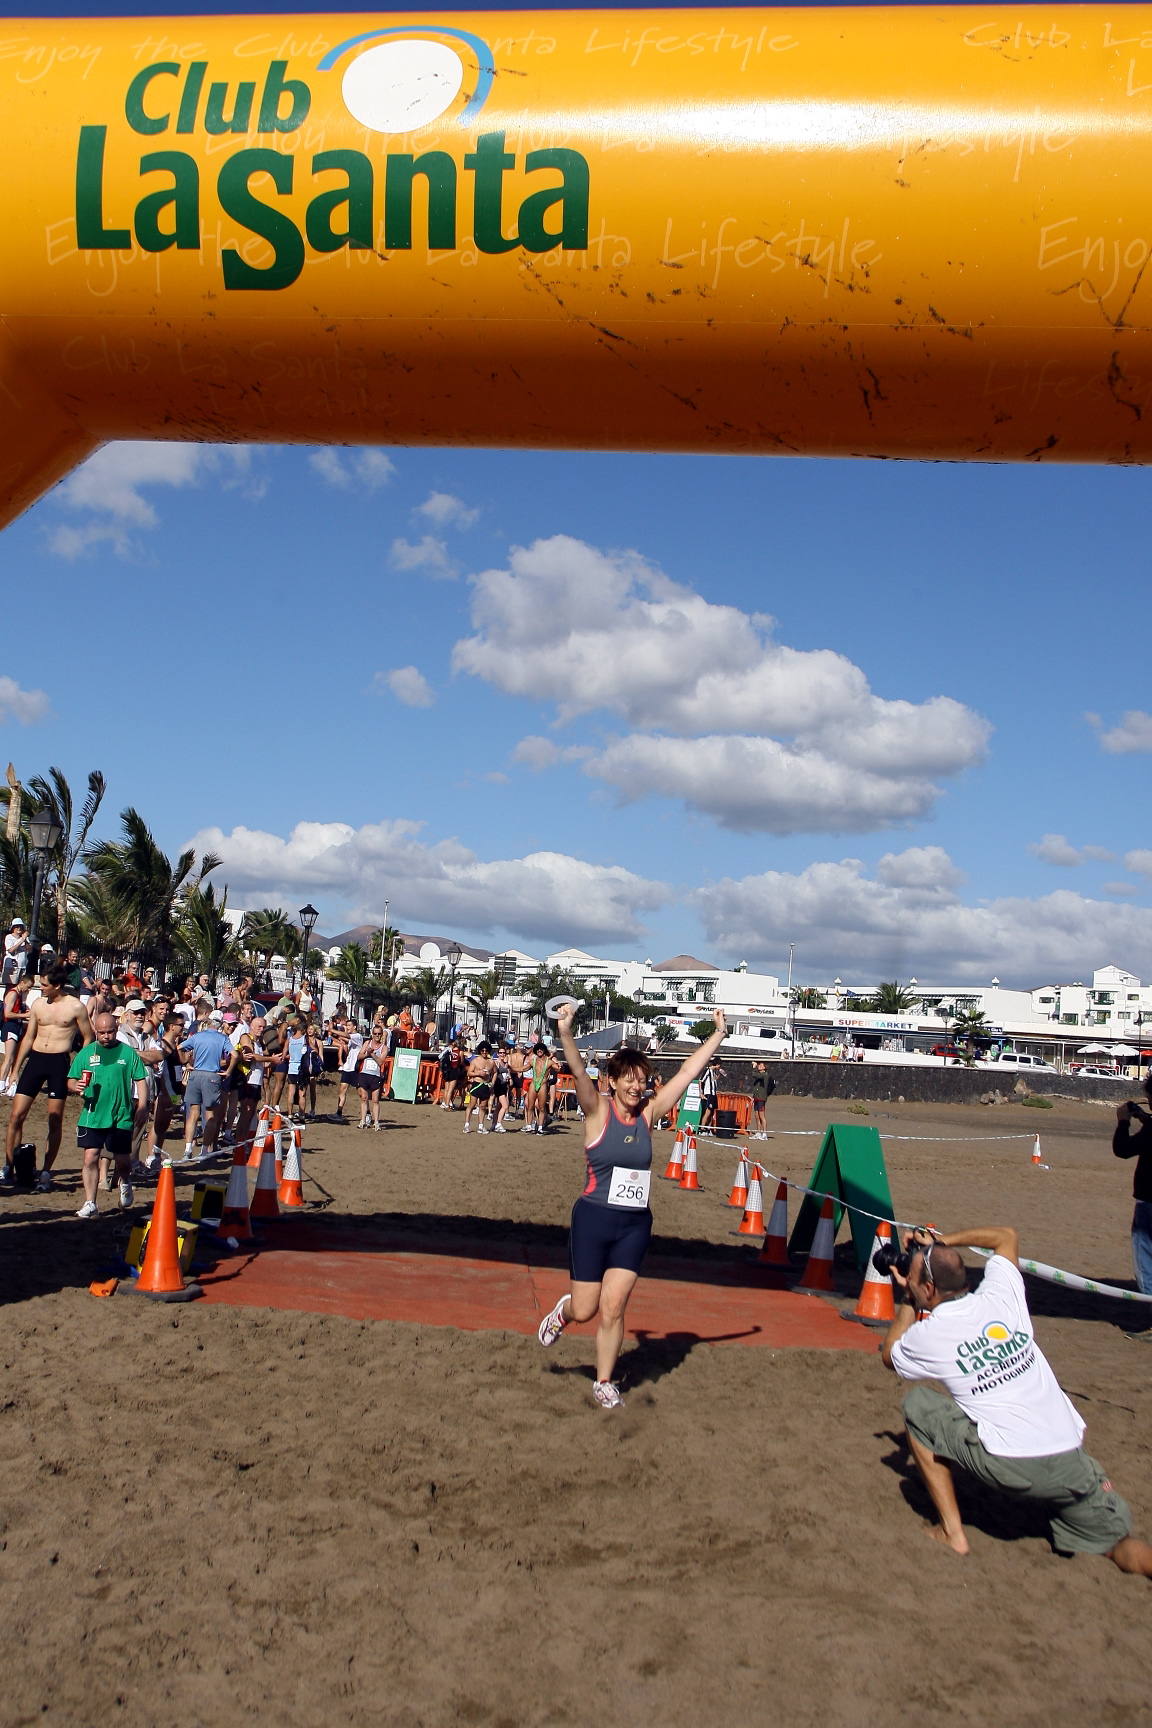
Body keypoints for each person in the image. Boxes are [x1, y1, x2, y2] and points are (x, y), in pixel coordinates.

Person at [882, 1221, 1152, 1574]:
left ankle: (953, 1533)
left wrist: (907, 1300)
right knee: (1118, 1544)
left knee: (918, 1404)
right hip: (1070, 1457)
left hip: (1011, 1464)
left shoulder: (930, 1333)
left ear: (928, 1288)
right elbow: (1005, 1236)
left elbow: (890, 1355)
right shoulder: (1000, 1295)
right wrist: (941, 1243)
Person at [537, 1005, 729, 1410]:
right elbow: (579, 1074)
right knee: (587, 1308)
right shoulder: (597, 1111)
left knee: (614, 1305)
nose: (637, 1088)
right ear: (612, 1082)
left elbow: (686, 1074)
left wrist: (717, 1035)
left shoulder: (650, 1114)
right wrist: (566, 1035)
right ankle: (563, 1313)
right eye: (629, 1080)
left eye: (642, 1081)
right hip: (592, 1219)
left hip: (634, 1225)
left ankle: (604, 1381)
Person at [1, 962, 95, 1192]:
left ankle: (45, 1172)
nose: (40, 988)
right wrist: (15, 1069)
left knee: (54, 1119)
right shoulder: (38, 1004)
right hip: (36, 1060)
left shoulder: (75, 1007)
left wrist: (81, 1069)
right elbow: (29, 1036)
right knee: (16, 1116)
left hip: (58, 1062)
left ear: (58, 985)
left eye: (44, 985)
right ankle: (8, 1166)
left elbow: (88, 1038)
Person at [66, 1012, 149, 1216]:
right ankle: (90, 1202)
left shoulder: (127, 1053)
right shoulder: (87, 1053)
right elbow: (70, 1079)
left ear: (116, 1029)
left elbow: (140, 1079)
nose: (106, 1036)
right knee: (90, 1157)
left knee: (122, 1160)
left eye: (110, 1032)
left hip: (121, 1114)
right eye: (101, 1032)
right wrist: (75, 1086)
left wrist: (143, 1105)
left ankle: (126, 1181)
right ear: (95, 1031)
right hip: (92, 1115)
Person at [176, 1001, 237, 1163]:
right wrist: (228, 1071)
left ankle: (188, 1148)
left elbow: (180, 1047)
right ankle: (204, 1150)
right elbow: (235, 1055)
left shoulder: (198, 1036)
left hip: (196, 1074)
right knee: (209, 1115)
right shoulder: (223, 1039)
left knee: (193, 1114)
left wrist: (186, 1063)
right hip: (212, 1075)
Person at [1114, 1075, 1152, 1297]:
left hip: (1149, 1203)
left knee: (1146, 1263)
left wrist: (1123, 1122)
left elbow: (1123, 1149)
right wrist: (1145, 1118)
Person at [0, 973, 30, 1095]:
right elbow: (8, 1014)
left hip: (16, 1027)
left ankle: (7, 1082)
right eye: (28, 986)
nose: (28, 990)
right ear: (21, 982)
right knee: (9, 1058)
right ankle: (1, 1082)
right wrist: (24, 1015)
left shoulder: (19, 995)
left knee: (13, 1058)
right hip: (10, 1026)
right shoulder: (12, 994)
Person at [355, 1027, 388, 1130]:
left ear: (381, 1034)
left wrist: (372, 1054)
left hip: (375, 1075)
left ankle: (376, 1122)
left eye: (379, 1034)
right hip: (364, 1073)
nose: (377, 1035)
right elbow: (359, 1056)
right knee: (364, 1098)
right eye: (375, 1033)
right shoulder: (367, 1043)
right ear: (372, 1034)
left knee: (375, 1100)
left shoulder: (384, 1047)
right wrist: (366, 1054)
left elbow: (380, 1061)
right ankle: (363, 1121)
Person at [463, 1042, 495, 1134]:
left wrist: (492, 1083)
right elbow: (469, 1073)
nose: (484, 1052)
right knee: (471, 1105)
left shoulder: (491, 1061)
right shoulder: (475, 1061)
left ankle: (481, 1126)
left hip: (486, 1085)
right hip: (477, 1084)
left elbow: (495, 1072)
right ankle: (467, 1124)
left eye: (486, 1050)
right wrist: (478, 1073)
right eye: (482, 1050)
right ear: (480, 1050)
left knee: (483, 1106)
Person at [750, 1060, 774, 1139]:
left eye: (760, 1065)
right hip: (756, 1097)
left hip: (761, 1097)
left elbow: (754, 1075)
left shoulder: (764, 1075)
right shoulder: (760, 1075)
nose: (758, 1066)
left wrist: (753, 1067)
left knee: (762, 1116)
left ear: (764, 1067)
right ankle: (758, 1132)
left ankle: (764, 1133)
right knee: (756, 1116)